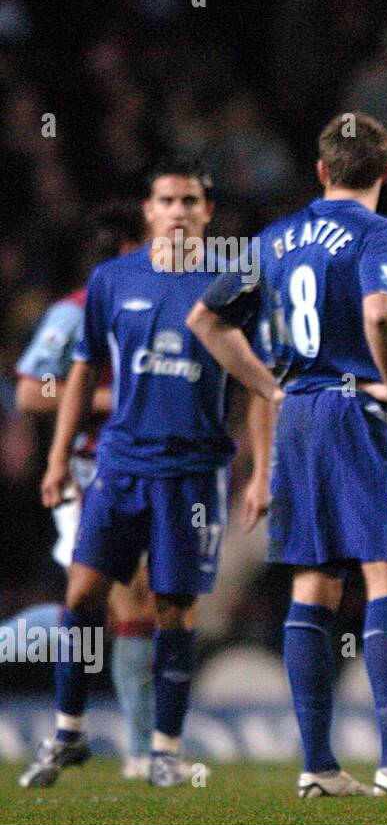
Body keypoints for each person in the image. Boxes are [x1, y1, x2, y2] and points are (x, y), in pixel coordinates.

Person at [189, 112, 387, 799]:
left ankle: (317, 766)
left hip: (297, 418)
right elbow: (381, 314)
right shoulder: (379, 233)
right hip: (358, 410)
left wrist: (266, 384)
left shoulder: (274, 237)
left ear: (320, 171)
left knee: (313, 585)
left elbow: (206, 319)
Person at [21, 160, 256, 788]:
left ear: (207, 212)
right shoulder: (110, 281)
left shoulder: (232, 284)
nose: (177, 211)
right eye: (166, 200)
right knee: (80, 596)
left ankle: (163, 753)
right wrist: (55, 457)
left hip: (193, 475)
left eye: (189, 201)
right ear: (149, 211)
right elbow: (81, 370)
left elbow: (262, 382)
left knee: (173, 613)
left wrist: (261, 472)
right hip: (119, 466)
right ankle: (68, 732)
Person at [10, 202, 156, 779]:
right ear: (123, 248)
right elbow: (30, 390)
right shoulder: (73, 313)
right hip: (84, 471)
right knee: (108, 596)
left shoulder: (143, 308)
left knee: (131, 600)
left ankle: (141, 750)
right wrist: (107, 401)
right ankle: (140, 751)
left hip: (138, 468)